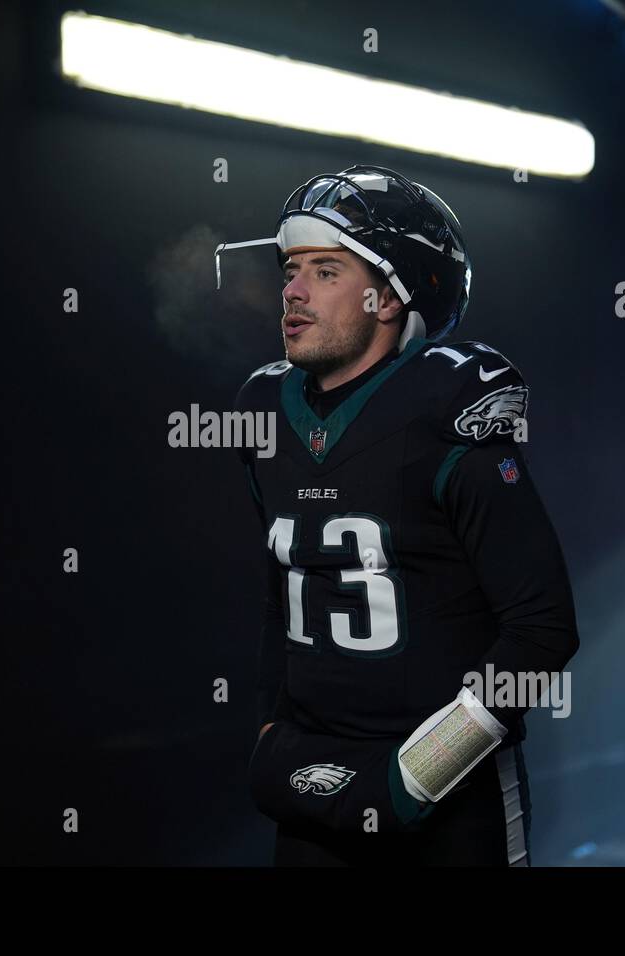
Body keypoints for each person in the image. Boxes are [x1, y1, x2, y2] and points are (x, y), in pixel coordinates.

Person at [218, 165, 580, 866]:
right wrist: (270, 731)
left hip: (444, 795)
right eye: (292, 269)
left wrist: (419, 774)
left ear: (388, 296)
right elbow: (280, 598)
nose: (291, 291)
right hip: (313, 778)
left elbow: (542, 633)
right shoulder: (264, 413)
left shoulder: (447, 408)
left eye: (325, 271)